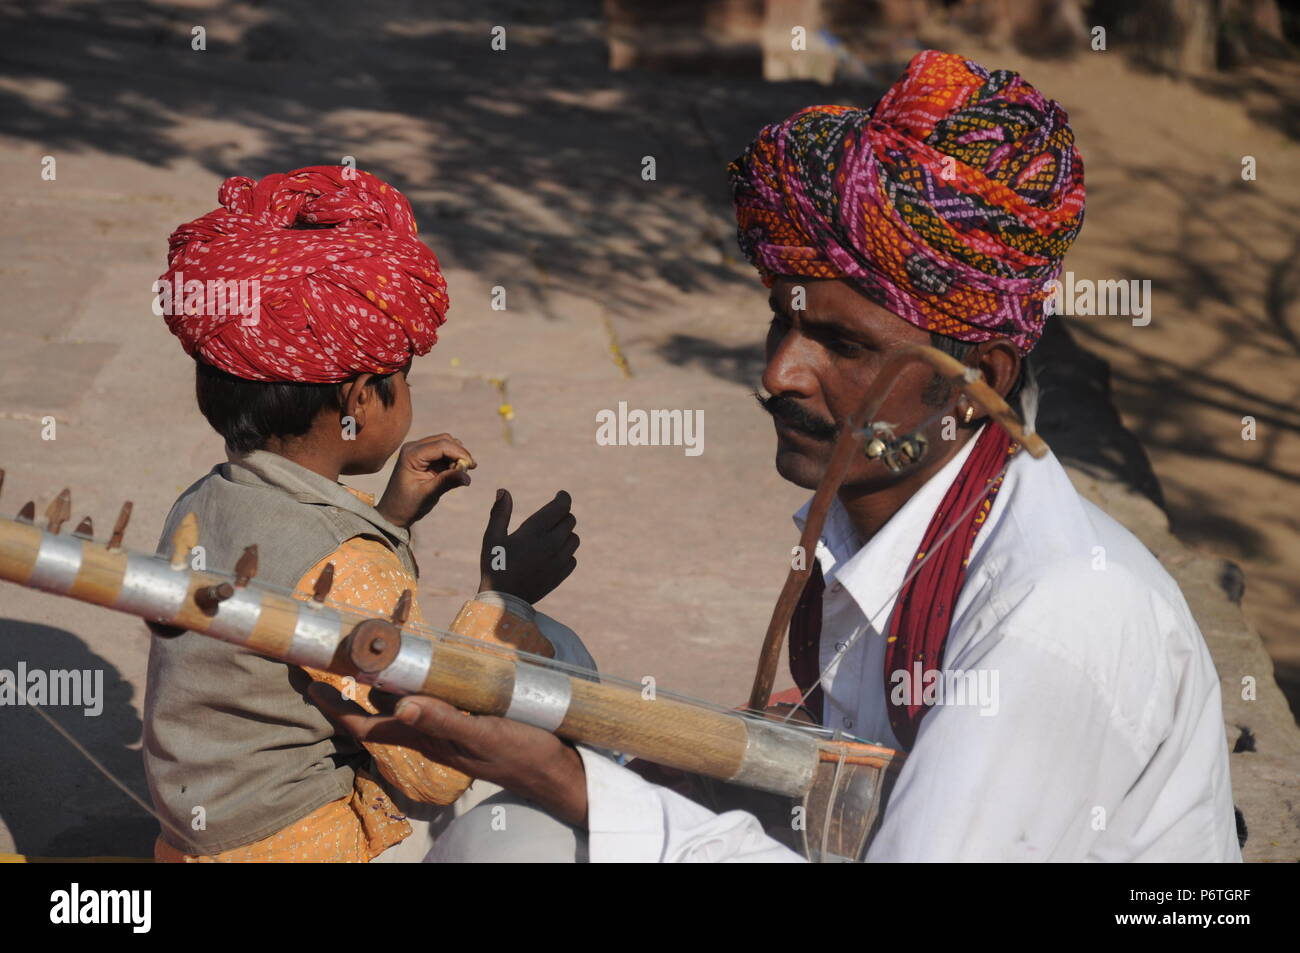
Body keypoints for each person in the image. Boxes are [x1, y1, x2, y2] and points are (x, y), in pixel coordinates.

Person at [316, 51, 1241, 862]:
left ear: (976, 379)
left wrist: (579, 785)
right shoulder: (917, 512)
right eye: (781, 324)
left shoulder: (1050, 620)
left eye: (842, 346)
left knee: (510, 841)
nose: (778, 373)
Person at [143, 166, 586, 862]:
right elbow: (434, 767)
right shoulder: (345, 562)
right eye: (401, 377)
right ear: (357, 399)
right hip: (299, 847)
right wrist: (507, 596)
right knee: (549, 728)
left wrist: (391, 516)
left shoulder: (204, 498)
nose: (407, 392)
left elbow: (305, 580)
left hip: (196, 841)